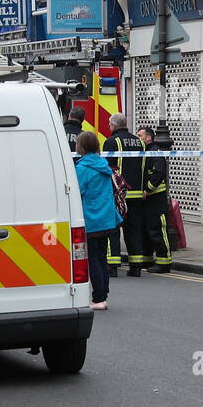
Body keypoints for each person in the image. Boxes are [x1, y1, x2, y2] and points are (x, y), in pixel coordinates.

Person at [74, 130, 120, 311]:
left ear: (81, 147)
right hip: (107, 219)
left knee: (93, 259)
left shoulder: (82, 169)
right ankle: (103, 294)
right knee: (102, 258)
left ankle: (99, 298)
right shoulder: (104, 165)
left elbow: (77, 193)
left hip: (91, 219)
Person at [100, 112, 140, 277]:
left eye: (109, 125)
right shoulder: (139, 142)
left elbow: (108, 169)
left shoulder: (111, 142)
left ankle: (112, 266)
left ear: (114, 126)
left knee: (113, 229)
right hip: (136, 194)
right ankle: (136, 266)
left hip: (118, 194)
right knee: (133, 230)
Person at [136, 126, 172, 274]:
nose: (137, 138)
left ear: (148, 138)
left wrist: (147, 189)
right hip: (146, 200)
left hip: (156, 198)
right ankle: (147, 259)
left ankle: (164, 263)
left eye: (140, 136)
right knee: (146, 230)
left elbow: (159, 173)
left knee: (157, 229)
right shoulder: (143, 152)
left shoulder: (155, 151)